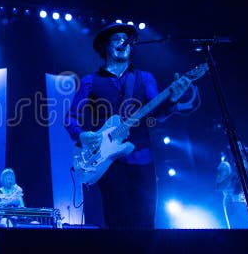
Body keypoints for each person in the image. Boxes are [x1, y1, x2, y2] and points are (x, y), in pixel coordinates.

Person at [63, 22, 199, 229]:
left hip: (143, 159)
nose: (123, 43)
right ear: (105, 46)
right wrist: (82, 135)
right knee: (117, 224)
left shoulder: (145, 78)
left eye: (126, 40)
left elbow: (156, 115)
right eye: (116, 39)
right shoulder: (90, 81)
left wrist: (172, 100)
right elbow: (70, 117)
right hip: (108, 163)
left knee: (146, 223)